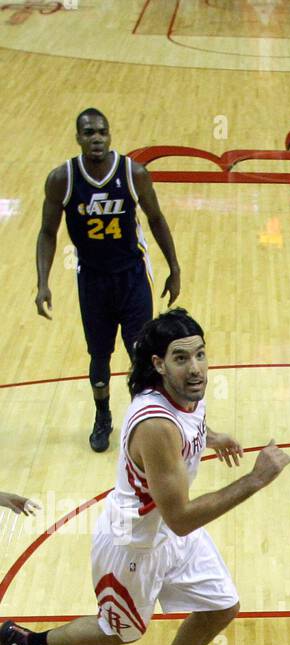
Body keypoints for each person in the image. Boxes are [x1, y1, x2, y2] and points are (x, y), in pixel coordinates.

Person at [1, 310, 290, 645]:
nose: (195, 368)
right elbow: (181, 518)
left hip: (166, 531)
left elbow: (189, 424)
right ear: (158, 364)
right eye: (180, 358)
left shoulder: (186, 394)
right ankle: (32, 643)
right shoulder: (155, 425)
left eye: (200, 355)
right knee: (120, 631)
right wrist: (256, 479)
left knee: (221, 605)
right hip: (133, 542)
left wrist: (213, 436)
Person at [35, 109, 182, 453]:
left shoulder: (133, 173)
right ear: (78, 138)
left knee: (141, 356)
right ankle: (103, 415)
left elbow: (157, 219)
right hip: (93, 279)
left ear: (110, 135)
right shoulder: (62, 178)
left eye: (102, 131)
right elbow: (46, 232)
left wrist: (174, 267)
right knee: (99, 355)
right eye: (89, 133)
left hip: (132, 276)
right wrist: (42, 282)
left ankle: (142, 420)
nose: (96, 138)